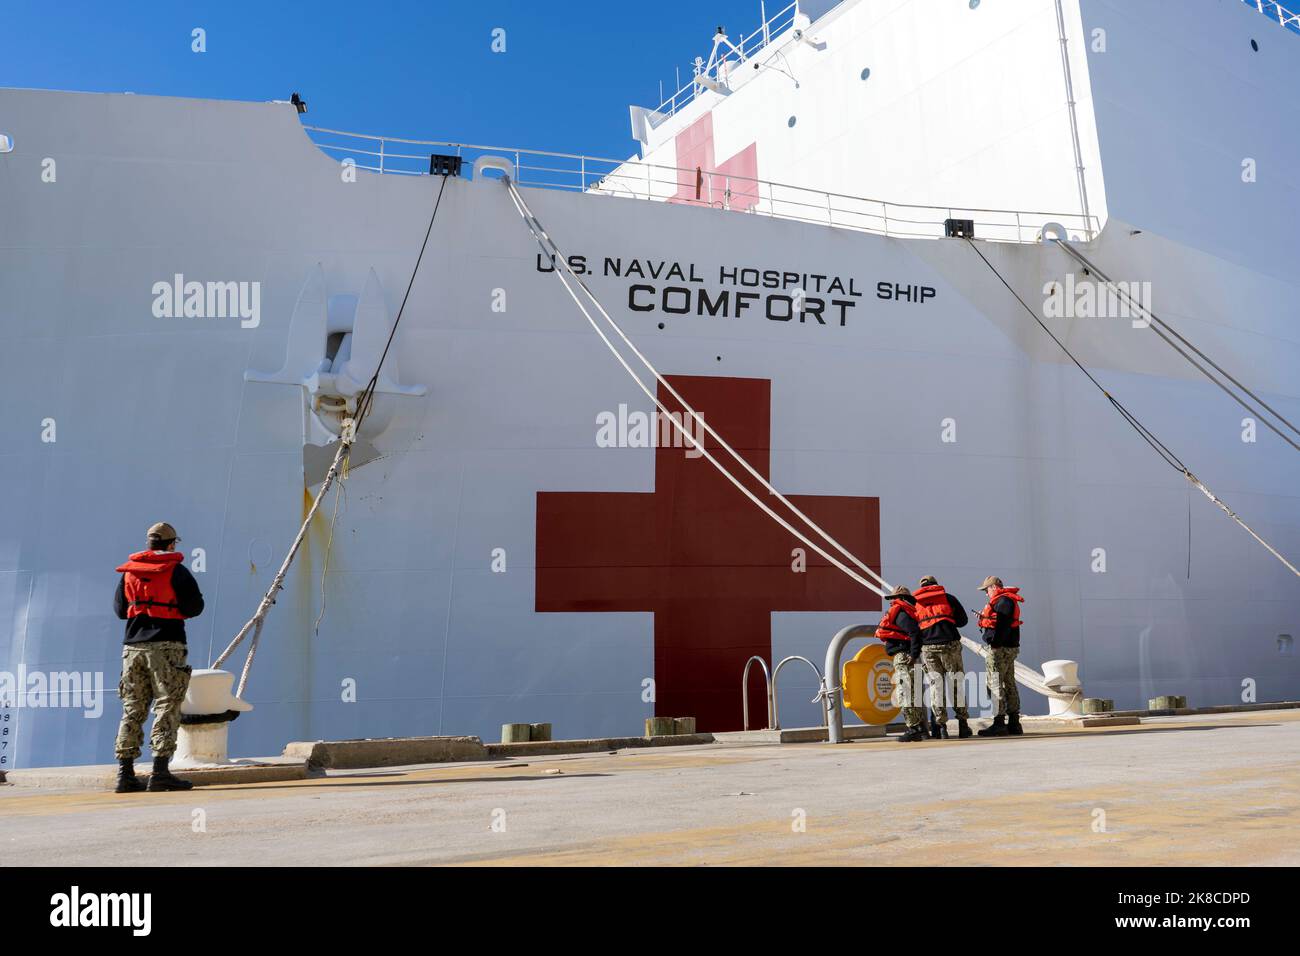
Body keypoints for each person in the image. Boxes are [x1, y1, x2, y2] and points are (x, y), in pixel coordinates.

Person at [112, 522, 204, 793]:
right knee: (167, 704)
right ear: (172, 544)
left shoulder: (128, 572)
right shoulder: (177, 571)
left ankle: (125, 774)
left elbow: (120, 610)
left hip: (132, 648)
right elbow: (194, 607)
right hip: (167, 646)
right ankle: (160, 772)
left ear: (149, 543)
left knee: (133, 707)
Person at [913, 575, 971, 739]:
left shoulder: (915, 603)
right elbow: (962, 621)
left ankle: (941, 727)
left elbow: (914, 629)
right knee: (956, 684)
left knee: (935, 686)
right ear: (936, 585)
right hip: (950, 645)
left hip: (928, 649)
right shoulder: (949, 598)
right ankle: (963, 726)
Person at [975, 575, 1025, 737]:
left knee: (994, 683)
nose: (986, 593)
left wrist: (995, 643)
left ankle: (999, 723)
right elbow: (1001, 622)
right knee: (1009, 682)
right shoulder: (1007, 601)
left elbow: (1002, 625)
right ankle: (1014, 723)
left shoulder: (1003, 602)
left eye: (986, 590)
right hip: (1010, 648)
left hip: (1000, 649)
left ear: (994, 587)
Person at [876, 586, 925, 742]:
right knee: (913, 692)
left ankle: (913, 728)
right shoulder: (909, 612)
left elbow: (914, 632)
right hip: (909, 655)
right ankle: (920, 728)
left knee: (905, 693)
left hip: (903, 656)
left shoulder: (900, 614)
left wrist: (913, 654)